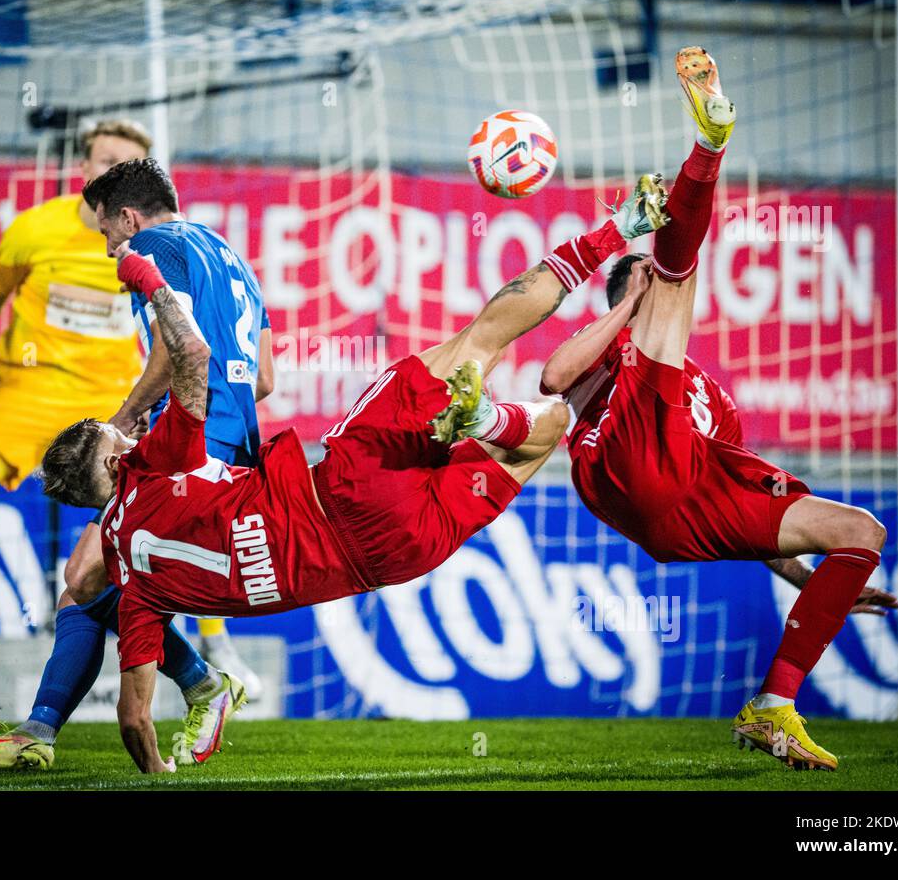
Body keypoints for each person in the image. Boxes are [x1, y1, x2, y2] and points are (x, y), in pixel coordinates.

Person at [37, 168, 667, 772]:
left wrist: (153, 775)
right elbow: (217, 364)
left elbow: (132, 719)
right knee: (480, 339)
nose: (113, 245)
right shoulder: (164, 443)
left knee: (546, 432)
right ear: (118, 454)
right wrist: (147, 283)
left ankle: (88, 715)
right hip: (336, 482)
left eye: (106, 233)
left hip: (391, 557)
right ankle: (610, 238)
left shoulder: (140, 595)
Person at [538, 47, 896, 772]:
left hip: (688, 501)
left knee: (860, 532)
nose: (656, 290)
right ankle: (709, 143)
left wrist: (804, 575)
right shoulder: (613, 352)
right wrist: (632, 303)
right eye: (637, 283)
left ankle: (773, 709)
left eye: (646, 283)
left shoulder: (705, 394)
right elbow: (551, 376)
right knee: (677, 266)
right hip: (627, 471)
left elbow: (730, 501)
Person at [0, 156, 276, 770]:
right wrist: (192, 411)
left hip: (198, 455)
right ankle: (49, 727)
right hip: (234, 452)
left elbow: (182, 354)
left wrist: (126, 419)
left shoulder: (151, 245)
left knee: (89, 579)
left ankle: (196, 685)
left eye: (104, 233)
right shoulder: (231, 258)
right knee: (86, 581)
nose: (107, 249)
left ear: (127, 216)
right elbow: (266, 379)